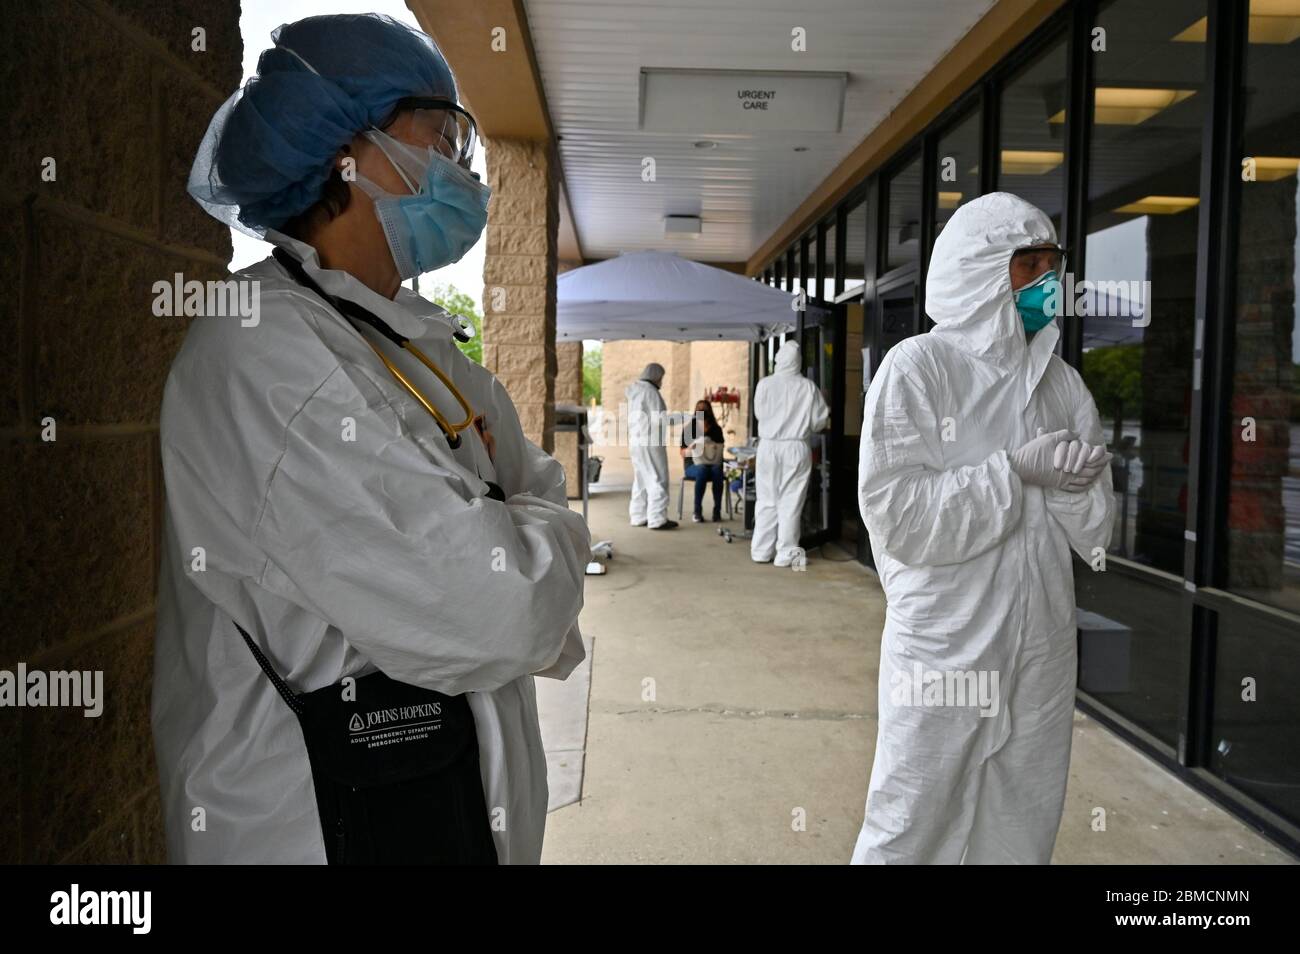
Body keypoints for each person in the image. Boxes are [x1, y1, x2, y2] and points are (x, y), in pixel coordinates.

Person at [153, 14, 590, 865]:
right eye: (439, 132)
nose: (462, 166)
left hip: (441, 816)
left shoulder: (406, 337)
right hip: (309, 829)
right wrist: (533, 529)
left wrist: (525, 528)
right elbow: (503, 608)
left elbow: (536, 494)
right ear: (349, 152)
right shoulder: (264, 353)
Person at [850, 192, 1114, 864]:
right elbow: (901, 516)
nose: (1047, 283)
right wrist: (1014, 474)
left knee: (1022, 814)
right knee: (913, 815)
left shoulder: (1061, 385)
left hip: (1042, 640)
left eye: (1053, 265)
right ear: (980, 270)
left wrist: (1075, 490)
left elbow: (1095, 534)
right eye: (1029, 265)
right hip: (947, 641)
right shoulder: (919, 370)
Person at [750, 340, 830, 566]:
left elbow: (759, 413)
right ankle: (785, 554)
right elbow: (818, 421)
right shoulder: (808, 387)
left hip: (769, 445)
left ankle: (761, 551)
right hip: (795, 446)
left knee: (766, 499)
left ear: (778, 360)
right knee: (791, 501)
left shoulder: (764, 384)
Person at [626, 362, 679, 530]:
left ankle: (638, 516)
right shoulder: (651, 393)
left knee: (641, 479)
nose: (661, 381)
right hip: (651, 442)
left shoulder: (635, 391)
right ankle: (657, 518)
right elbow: (660, 419)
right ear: (656, 376)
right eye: (661, 378)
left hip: (636, 441)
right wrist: (683, 418)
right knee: (657, 478)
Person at [679, 399, 726, 522]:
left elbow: (720, 451)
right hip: (693, 465)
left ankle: (717, 511)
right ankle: (697, 511)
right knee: (702, 470)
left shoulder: (716, 429)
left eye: (704, 410)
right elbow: (683, 453)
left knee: (717, 470)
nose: (702, 413)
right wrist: (692, 447)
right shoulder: (690, 429)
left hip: (713, 463)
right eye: (699, 409)